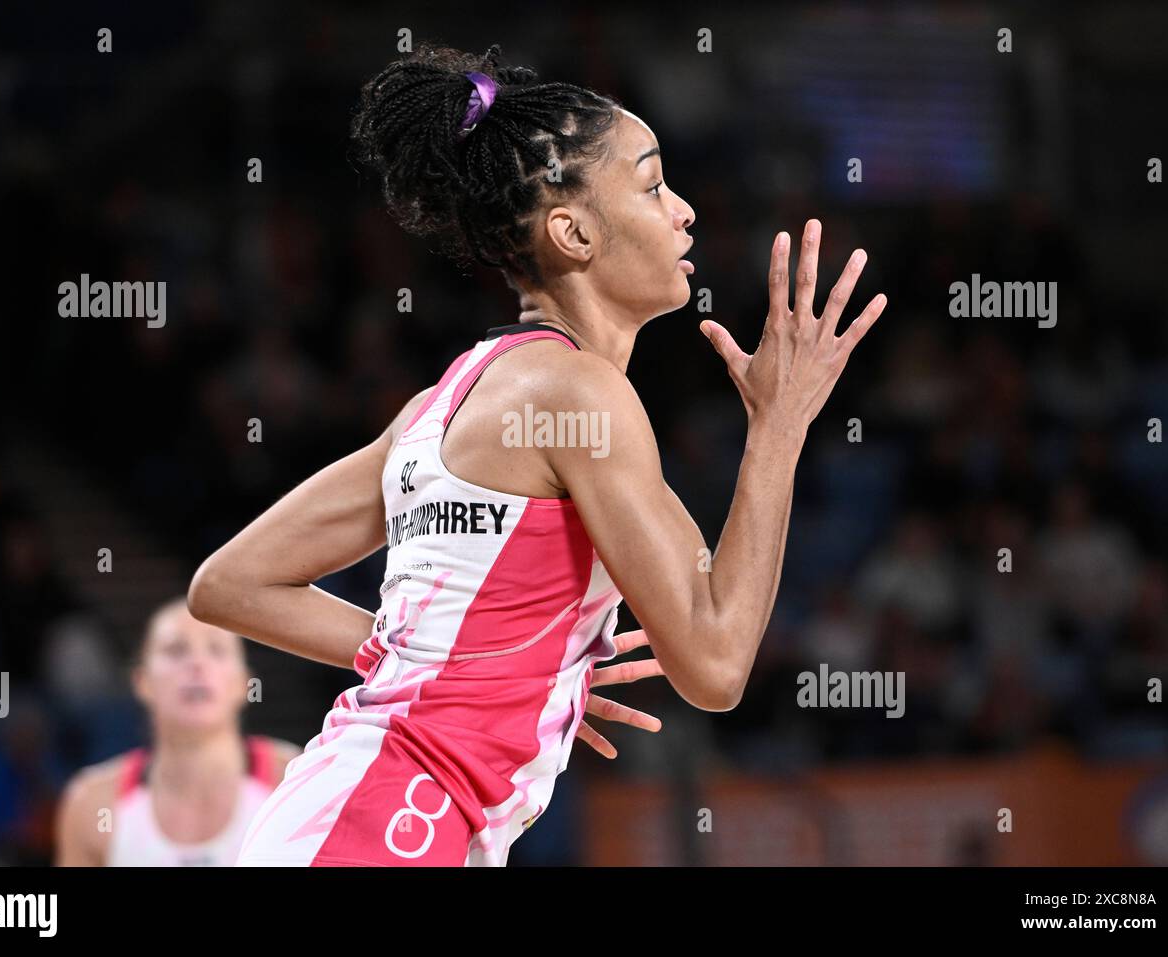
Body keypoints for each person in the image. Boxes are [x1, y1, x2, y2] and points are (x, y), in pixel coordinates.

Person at [187, 42, 885, 866]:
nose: (685, 210)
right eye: (655, 183)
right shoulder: (580, 396)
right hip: (382, 827)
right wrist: (779, 425)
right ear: (573, 231)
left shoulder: (442, 403)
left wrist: (482, 664)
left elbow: (228, 582)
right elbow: (716, 661)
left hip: (346, 811)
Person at [55, 597, 300, 865]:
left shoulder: (293, 780)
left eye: (216, 650)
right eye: (176, 650)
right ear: (142, 682)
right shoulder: (93, 803)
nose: (197, 664)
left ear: (243, 683)